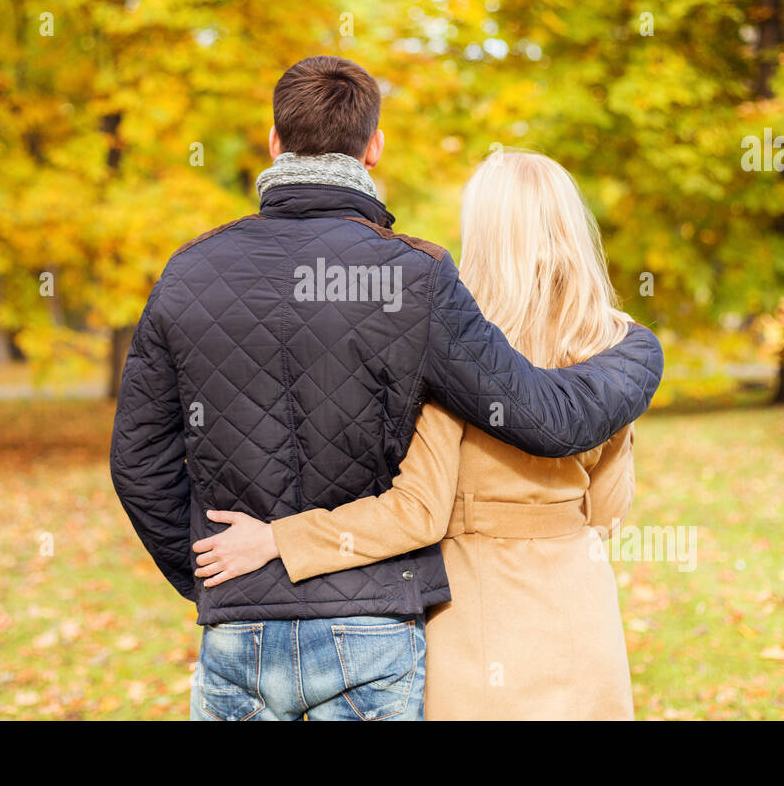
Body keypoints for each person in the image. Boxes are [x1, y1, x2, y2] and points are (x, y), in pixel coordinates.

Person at [111, 56, 662, 721]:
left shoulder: (189, 270)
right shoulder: (415, 279)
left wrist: (221, 575)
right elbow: (550, 425)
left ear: (273, 141)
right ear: (375, 147)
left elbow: (139, 460)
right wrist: (634, 354)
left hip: (247, 622)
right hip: (383, 625)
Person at [194, 149, 642, 719]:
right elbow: (605, 510)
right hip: (581, 609)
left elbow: (417, 513)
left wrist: (281, 538)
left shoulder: (457, 346)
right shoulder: (610, 344)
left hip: (478, 613)